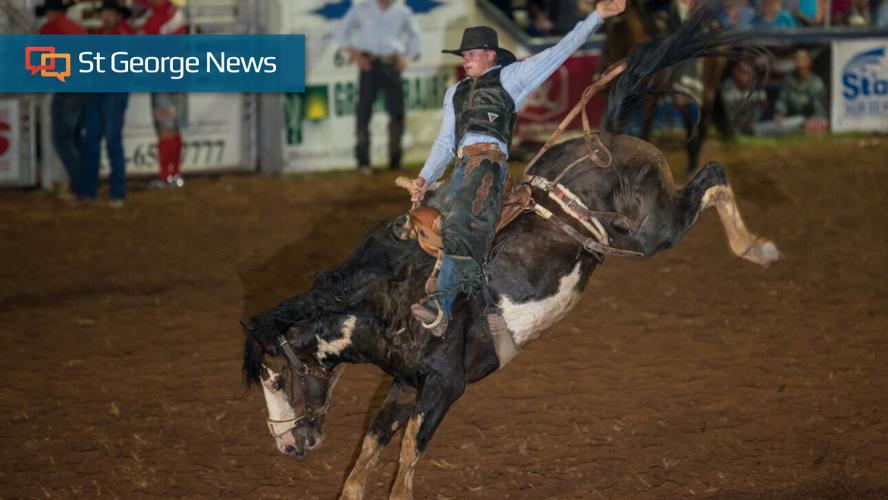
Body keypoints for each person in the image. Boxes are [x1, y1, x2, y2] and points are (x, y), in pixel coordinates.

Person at [407, 0, 627, 335]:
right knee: (415, 226)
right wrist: (425, 177)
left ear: (490, 55)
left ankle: (441, 307)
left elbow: (559, 52)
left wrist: (596, 17)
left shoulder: (512, 78)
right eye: (463, 54)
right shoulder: (455, 92)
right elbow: (444, 143)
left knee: (461, 224)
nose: (465, 59)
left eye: (472, 53)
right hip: (462, 169)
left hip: (487, 168)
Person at [334, 0, 420, 175]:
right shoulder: (362, 9)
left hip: (392, 64)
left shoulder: (402, 11)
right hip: (369, 65)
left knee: (397, 113)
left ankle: (395, 161)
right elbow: (341, 31)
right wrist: (356, 56)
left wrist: (407, 57)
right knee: (364, 113)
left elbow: (415, 35)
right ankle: (363, 163)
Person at [81, 0, 134, 208]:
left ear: (118, 16)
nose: (106, 16)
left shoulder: (121, 35)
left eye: (109, 13)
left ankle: (109, 192)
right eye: (104, 13)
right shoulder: (113, 34)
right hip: (105, 90)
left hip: (112, 91)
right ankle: (101, 191)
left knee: (108, 140)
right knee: (94, 140)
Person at [36, 0, 88, 203]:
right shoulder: (78, 29)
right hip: (84, 86)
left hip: (67, 88)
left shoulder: (49, 29)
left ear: (50, 12)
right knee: (74, 138)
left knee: (62, 138)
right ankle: (84, 185)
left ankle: (80, 186)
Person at [138, 0, 188, 188]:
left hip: (164, 78)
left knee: (166, 128)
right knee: (172, 128)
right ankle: (174, 174)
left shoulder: (164, 17)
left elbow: (148, 39)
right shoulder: (171, 14)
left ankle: (167, 175)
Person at [754, 49, 827, 135]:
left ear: (809, 62)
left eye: (802, 60)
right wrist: (779, 113)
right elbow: (782, 100)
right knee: (763, 128)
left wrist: (812, 121)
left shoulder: (816, 83)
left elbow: (819, 108)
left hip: (812, 121)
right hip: (793, 120)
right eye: (797, 60)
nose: (799, 63)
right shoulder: (788, 80)